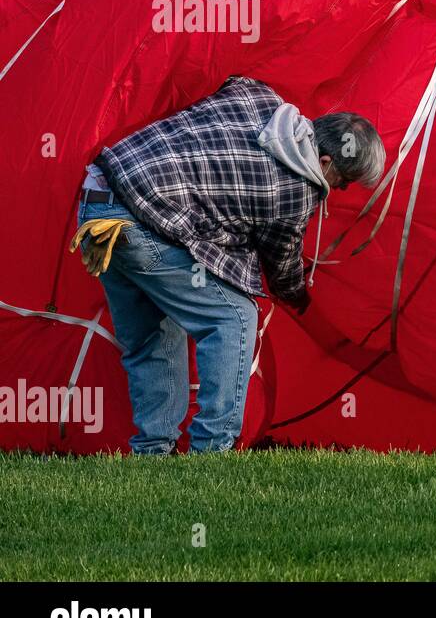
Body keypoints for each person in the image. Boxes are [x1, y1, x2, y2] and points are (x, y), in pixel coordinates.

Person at [71, 75, 385, 455]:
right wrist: (305, 301)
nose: (340, 191)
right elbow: (282, 269)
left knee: (152, 335)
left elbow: (233, 79)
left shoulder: (260, 96)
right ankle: (212, 450)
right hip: (140, 222)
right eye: (344, 182)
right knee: (233, 319)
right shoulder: (294, 192)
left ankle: (153, 451)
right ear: (324, 161)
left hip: (98, 204)